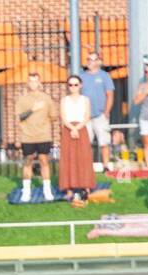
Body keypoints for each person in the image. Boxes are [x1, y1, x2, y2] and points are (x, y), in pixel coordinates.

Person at [14, 73, 57, 202]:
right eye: (31, 81)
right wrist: (33, 109)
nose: (33, 83)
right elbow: (19, 117)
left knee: (44, 161)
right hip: (28, 136)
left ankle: (47, 190)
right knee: (28, 161)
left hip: (43, 135)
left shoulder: (46, 98)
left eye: (35, 81)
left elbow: (53, 116)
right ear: (27, 83)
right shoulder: (22, 99)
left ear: (39, 83)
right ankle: (26, 191)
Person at [59, 75, 97, 205]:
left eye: (75, 85)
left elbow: (87, 116)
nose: (73, 87)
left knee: (83, 157)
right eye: (70, 85)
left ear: (80, 85)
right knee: (68, 157)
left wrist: (77, 128)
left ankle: (85, 186)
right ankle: (68, 188)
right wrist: (71, 128)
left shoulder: (85, 100)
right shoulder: (64, 100)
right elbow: (63, 117)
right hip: (68, 129)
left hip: (81, 129)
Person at [80, 51, 115, 168]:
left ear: (98, 62)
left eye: (93, 59)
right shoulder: (82, 76)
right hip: (86, 116)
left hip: (100, 115)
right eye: (88, 59)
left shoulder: (104, 76)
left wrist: (106, 112)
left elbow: (110, 95)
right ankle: (88, 167)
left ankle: (106, 166)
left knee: (104, 142)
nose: (90, 62)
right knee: (86, 143)